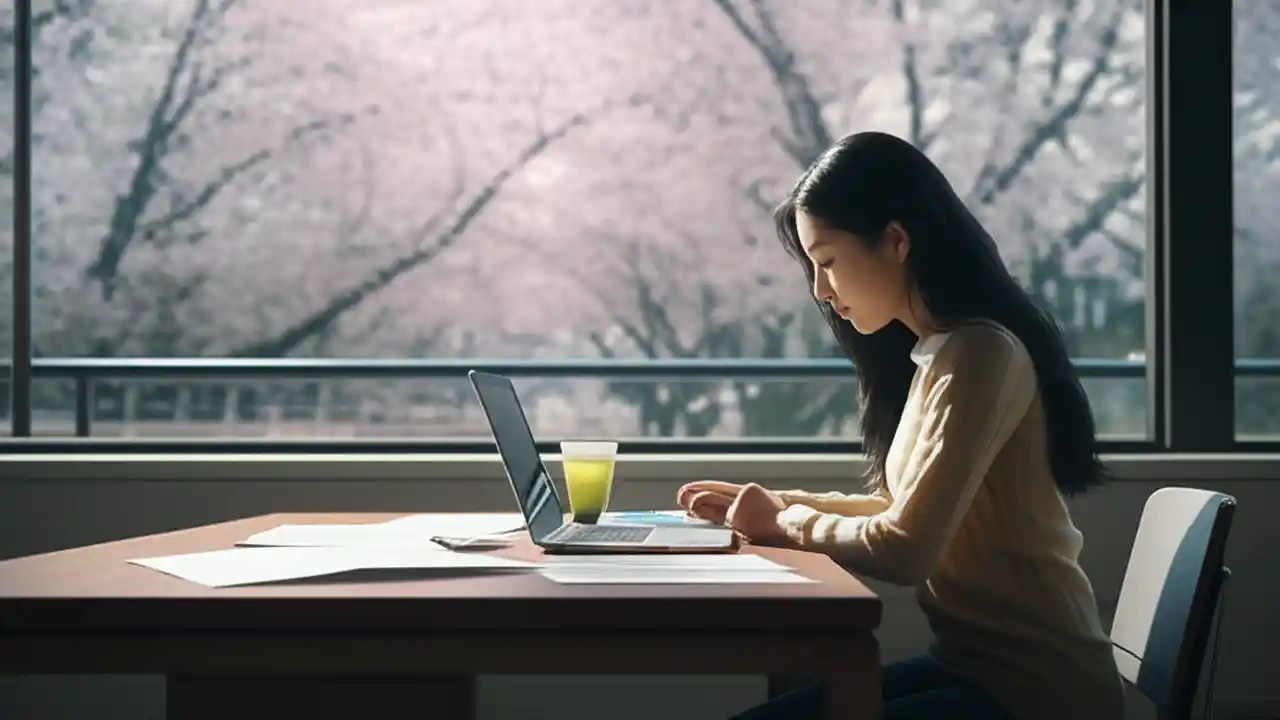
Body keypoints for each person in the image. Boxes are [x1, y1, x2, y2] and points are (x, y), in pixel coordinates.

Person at [677, 132, 1125, 720]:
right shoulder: (940, 353)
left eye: (828, 262)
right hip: (976, 668)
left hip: (1035, 692)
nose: (820, 291)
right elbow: (900, 511)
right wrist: (779, 504)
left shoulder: (980, 355)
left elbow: (906, 551)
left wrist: (784, 521)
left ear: (895, 242)